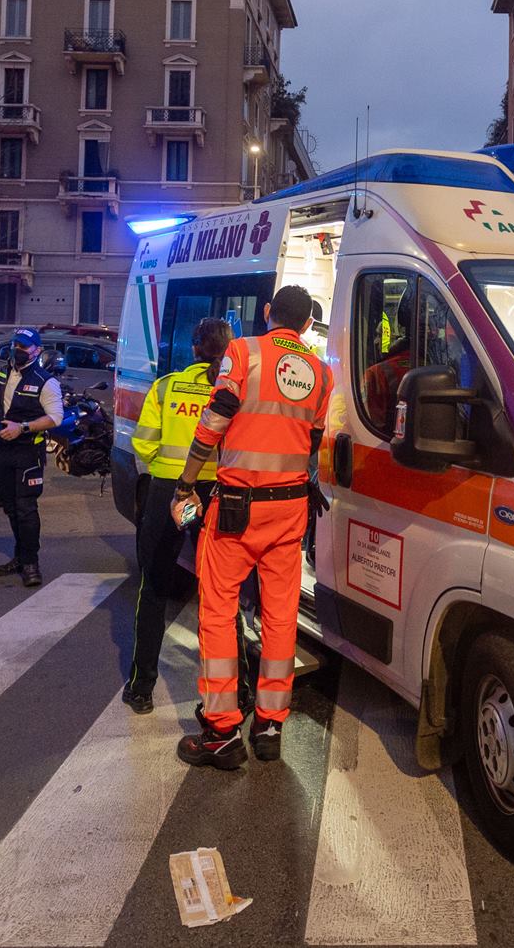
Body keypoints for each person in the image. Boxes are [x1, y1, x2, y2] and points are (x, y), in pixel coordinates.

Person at [172, 284, 334, 769]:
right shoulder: (322, 374)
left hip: (239, 509)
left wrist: (186, 481)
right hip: (290, 509)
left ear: (267, 313)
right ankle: (270, 722)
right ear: (307, 325)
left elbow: (217, 417)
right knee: (281, 615)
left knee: (219, 612)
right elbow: (314, 441)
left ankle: (221, 731)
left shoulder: (244, 351)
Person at [121, 317, 231, 714]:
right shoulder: (232, 389)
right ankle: (240, 689)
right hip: (215, 494)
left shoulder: (167, 386)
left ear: (194, 347)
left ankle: (141, 687)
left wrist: (166, 471)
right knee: (220, 592)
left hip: (171, 493)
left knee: (154, 587)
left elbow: (143, 443)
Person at [0, 327, 62, 589]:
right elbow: (0, 401)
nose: (17, 350)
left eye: (23, 346)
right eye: (15, 344)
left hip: (28, 451)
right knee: (10, 506)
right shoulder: (4, 372)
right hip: (3, 451)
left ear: (37, 351)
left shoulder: (46, 381)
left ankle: (31, 563)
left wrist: (23, 428)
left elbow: (55, 417)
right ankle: (19, 557)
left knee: (26, 508)